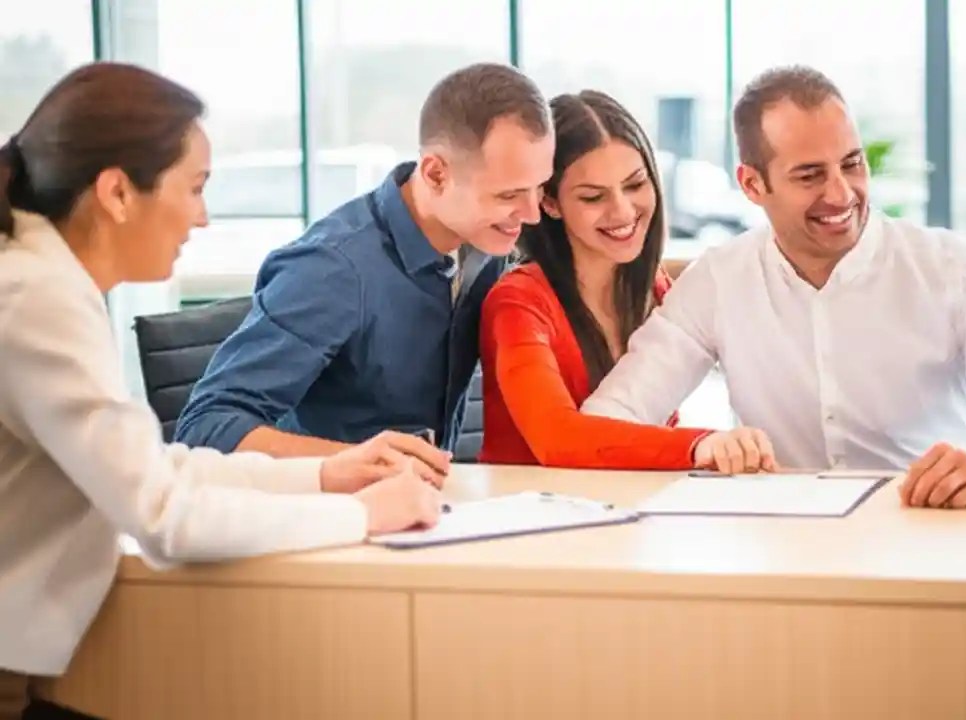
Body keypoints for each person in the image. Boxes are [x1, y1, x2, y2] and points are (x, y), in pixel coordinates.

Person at [0, 63, 446, 720]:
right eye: (196, 188)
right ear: (118, 193)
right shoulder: (38, 297)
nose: (203, 219)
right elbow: (166, 517)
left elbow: (152, 467)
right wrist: (365, 515)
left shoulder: (44, 281)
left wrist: (326, 474)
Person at [582, 66, 966, 508]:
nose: (840, 193)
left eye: (851, 164)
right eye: (809, 176)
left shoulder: (952, 270)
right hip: (784, 557)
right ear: (753, 185)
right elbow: (609, 421)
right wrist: (701, 446)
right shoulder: (718, 280)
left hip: (933, 537)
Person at [174, 63, 555, 458]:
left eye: (538, 188)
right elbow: (205, 428)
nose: (531, 214)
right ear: (436, 174)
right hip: (332, 510)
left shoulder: (484, 244)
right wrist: (353, 461)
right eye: (508, 195)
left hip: (433, 505)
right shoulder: (331, 267)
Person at [478, 90, 775, 473]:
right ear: (549, 202)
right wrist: (700, 446)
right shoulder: (518, 302)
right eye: (592, 197)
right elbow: (557, 439)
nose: (622, 211)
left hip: (627, 512)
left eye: (635, 185)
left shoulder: (653, 288)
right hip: (531, 516)